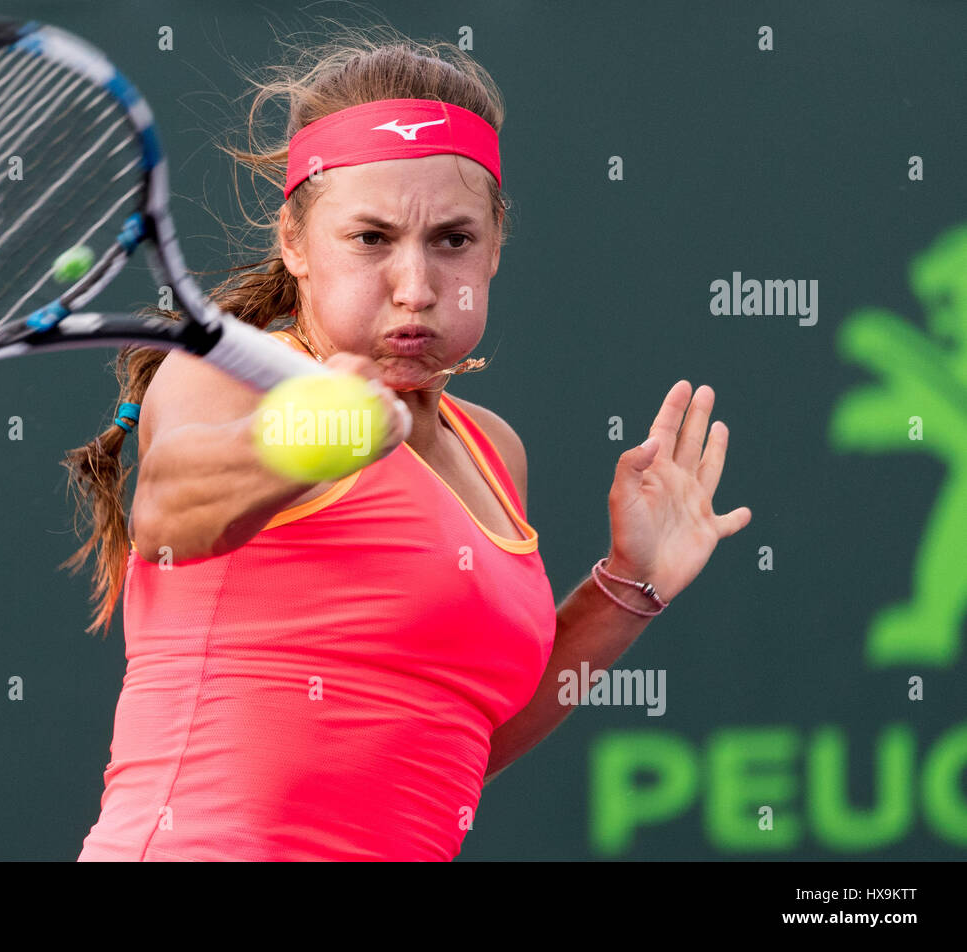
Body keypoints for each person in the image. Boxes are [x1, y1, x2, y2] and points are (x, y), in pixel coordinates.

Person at [63, 29, 751, 861]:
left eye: (452, 240)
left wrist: (629, 584)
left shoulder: (494, 451)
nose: (416, 286)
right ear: (295, 243)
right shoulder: (244, 377)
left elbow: (460, 739)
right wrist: (305, 441)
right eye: (371, 239)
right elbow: (170, 513)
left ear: (496, 247)